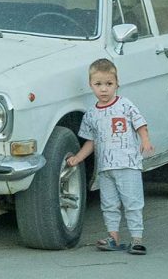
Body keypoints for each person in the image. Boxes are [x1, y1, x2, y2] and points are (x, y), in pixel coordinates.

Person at [66, 58, 155, 255]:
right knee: (109, 204)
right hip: (105, 169)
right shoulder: (90, 115)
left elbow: (140, 123)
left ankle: (137, 239)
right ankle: (113, 237)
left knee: (133, 202)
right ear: (91, 85)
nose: (104, 89)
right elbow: (91, 141)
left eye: (109, 84)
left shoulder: (125, 105)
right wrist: (78, 158)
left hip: (128, 164)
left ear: (117, 84)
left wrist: (145, 140)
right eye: (98, 84)